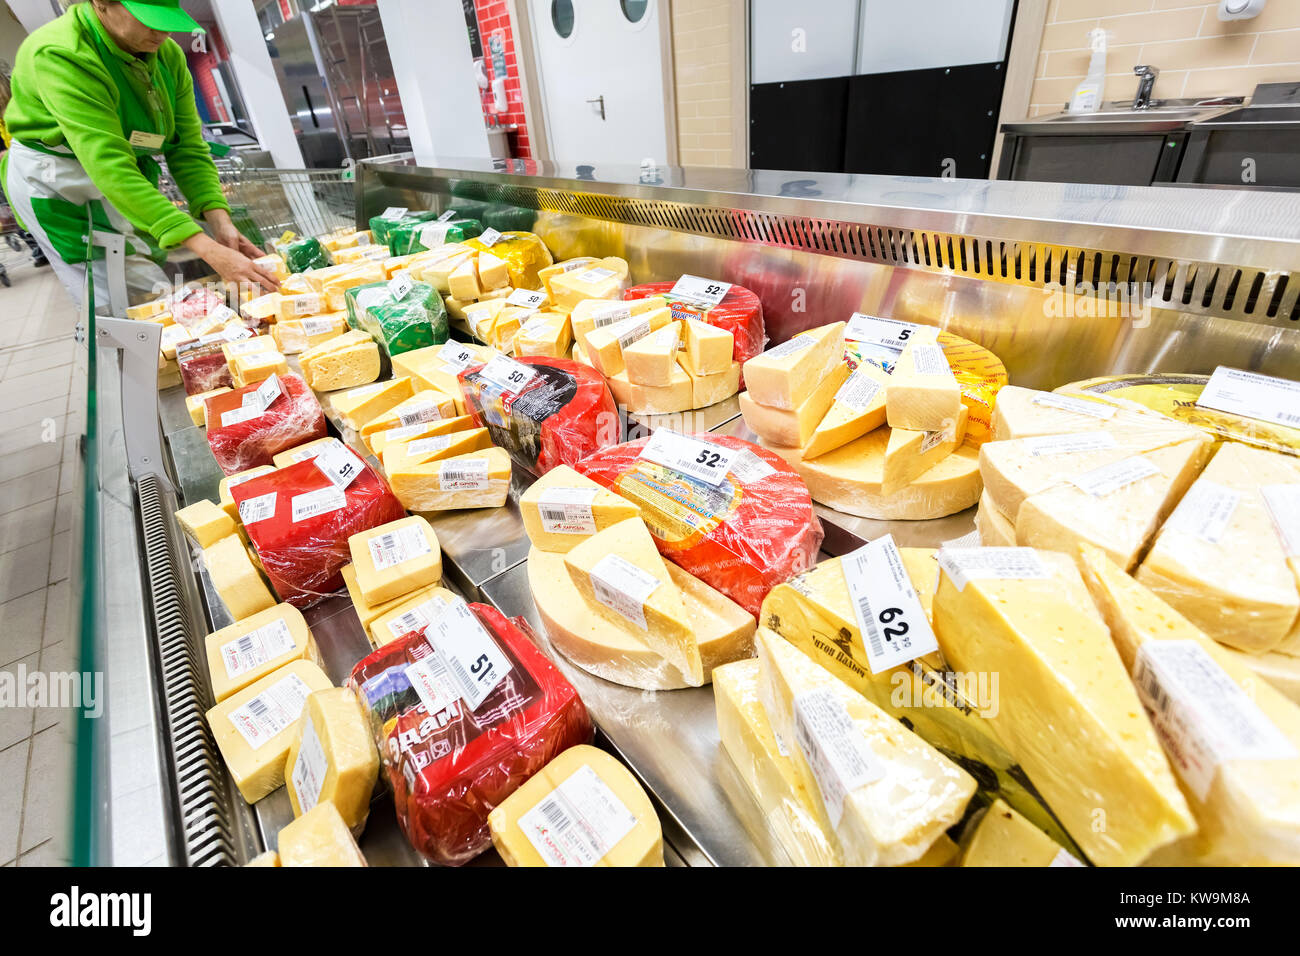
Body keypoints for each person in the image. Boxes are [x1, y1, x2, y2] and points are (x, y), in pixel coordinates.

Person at [1, 0, 278, 309]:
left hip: (121, 174)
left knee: (148, 275)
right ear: (101, 4)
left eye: (168, 19)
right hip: (61, 184)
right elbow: (108, 164)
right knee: (115, 296)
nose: (162, 32)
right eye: (149, 19)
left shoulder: (167, 56)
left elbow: (186, 147)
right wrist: (207, 248)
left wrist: (220, 221)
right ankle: (119, 352)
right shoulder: (61, 54)